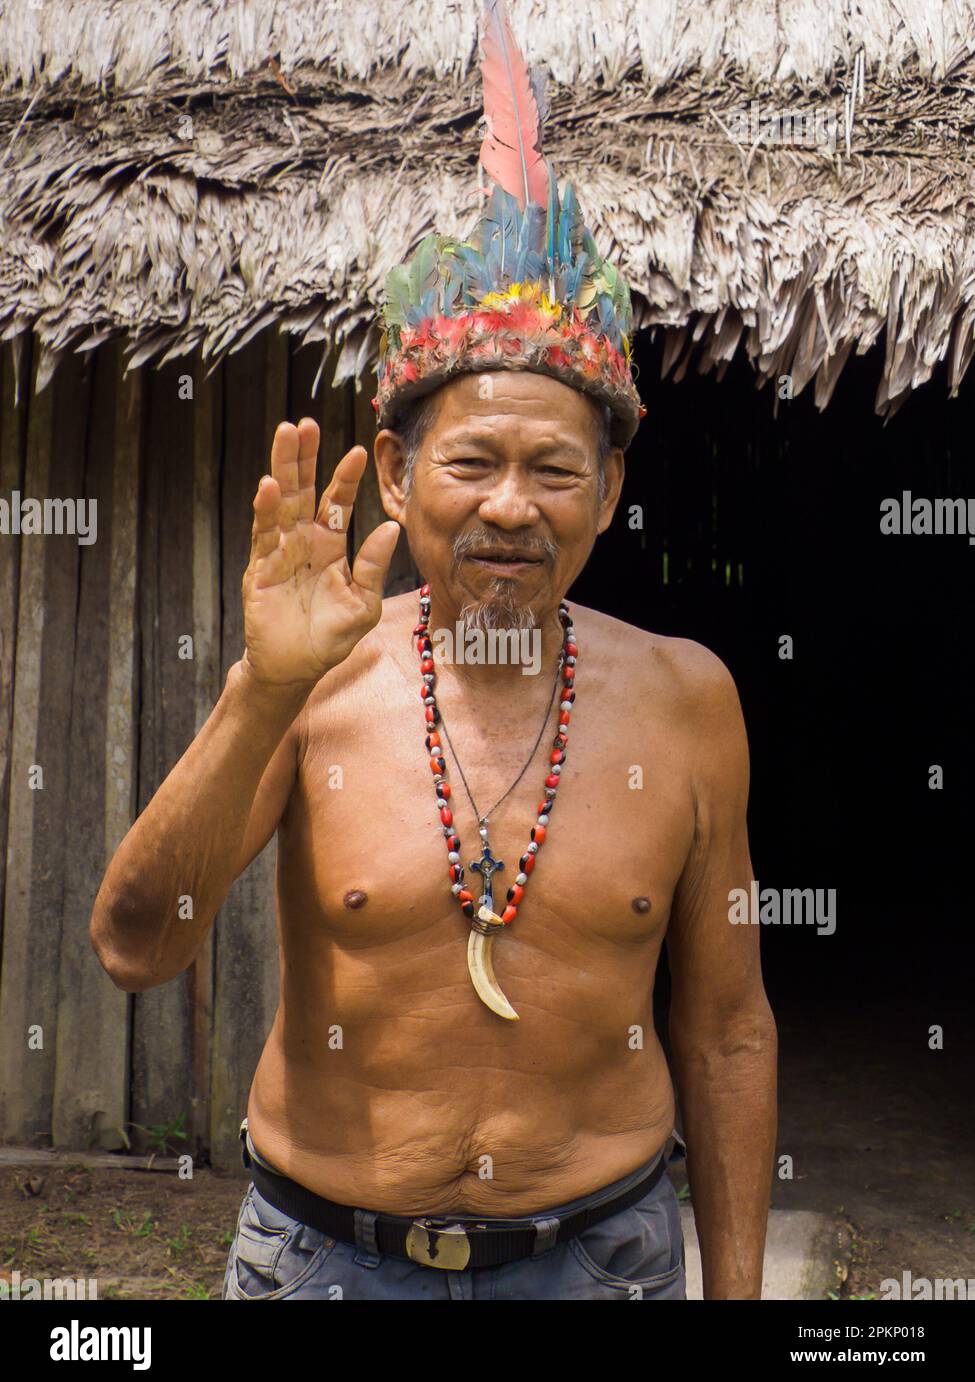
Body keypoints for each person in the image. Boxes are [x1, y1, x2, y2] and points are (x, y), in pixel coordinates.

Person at [89, 0, 777, 1300]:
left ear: (610, 487)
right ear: (400, 477)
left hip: (602, 1260)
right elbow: (137, 943)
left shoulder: (691, 702)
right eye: (473, 460)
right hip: (328, 1262)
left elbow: (730, 1025)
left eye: (553, 467)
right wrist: (260, 690)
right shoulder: (317, 685)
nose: (511, 502)